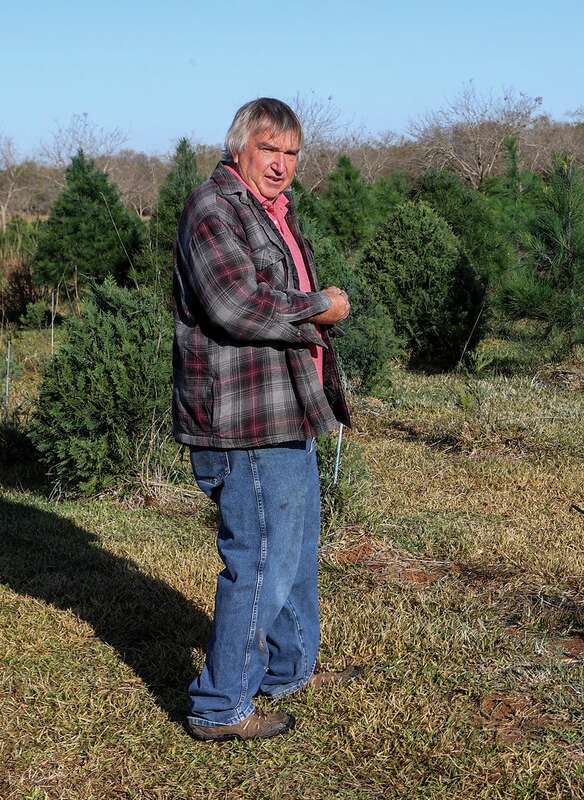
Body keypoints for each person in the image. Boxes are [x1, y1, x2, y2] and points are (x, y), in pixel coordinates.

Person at [172, 97, 360, 741]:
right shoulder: (214, 208)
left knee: (295, 554)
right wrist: (317, 306)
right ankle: (220, 704)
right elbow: (234, 303)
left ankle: (286, 670)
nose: (281, 164)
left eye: (291, 153)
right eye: (268, 149)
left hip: (287, 409)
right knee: (258, 561)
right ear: (238, 148)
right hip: (243, 419)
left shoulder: (273, 211)